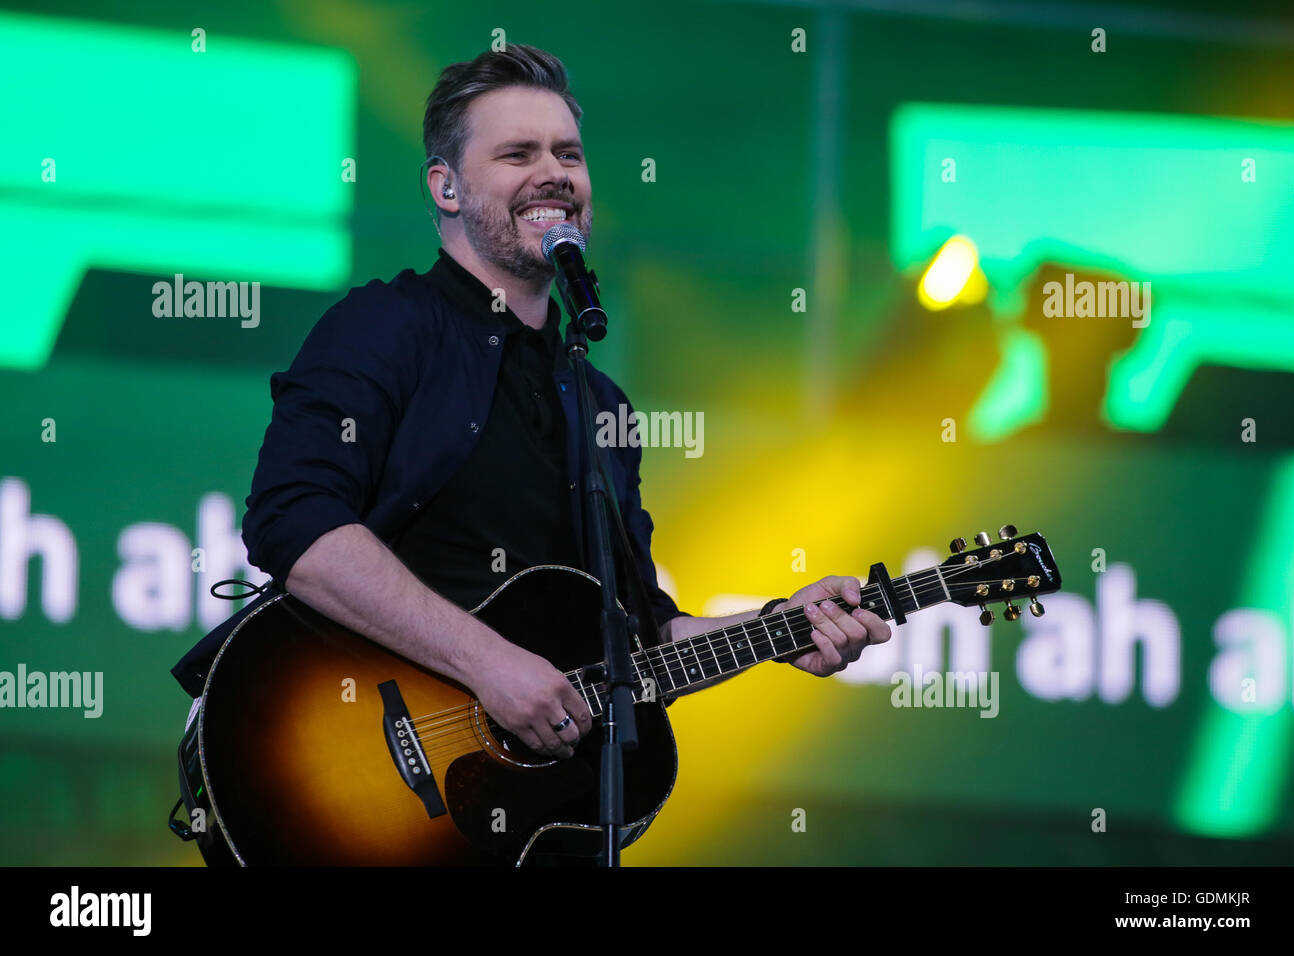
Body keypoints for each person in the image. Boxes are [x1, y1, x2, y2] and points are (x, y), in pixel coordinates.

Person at [172, 42, 889, 855]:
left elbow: (639, 642)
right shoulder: (383, 329)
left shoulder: (599, 401)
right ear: (445, 186)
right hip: (346, 767)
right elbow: (294, 523)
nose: (554, 172)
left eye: (568, 154)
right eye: (518, 153)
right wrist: (491, 665)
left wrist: (777, 628)